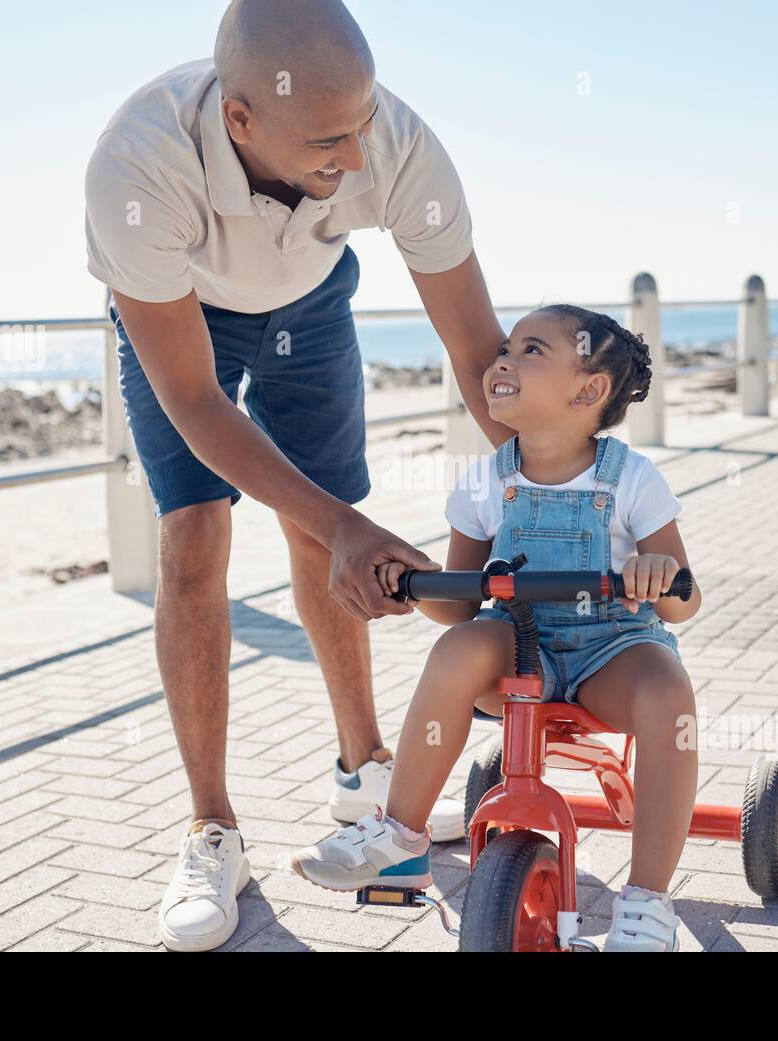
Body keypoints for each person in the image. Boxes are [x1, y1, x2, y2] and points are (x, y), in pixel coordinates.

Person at [83, 0, 514, 951]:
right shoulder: (136, 168)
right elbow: (197, 404)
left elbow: (477, 345)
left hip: (311, 304)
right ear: (241, 119)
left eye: (362, 125)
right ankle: (212, 829)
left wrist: (545, 489)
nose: (357, 159)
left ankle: (363, 770)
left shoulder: (391, 141)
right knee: (195, 535)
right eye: (328, 140)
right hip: (181, 315)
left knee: (324, 520)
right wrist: (348, 530)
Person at [291, 305, 703, 952]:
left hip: (610, 652)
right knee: (460, 643)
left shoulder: (631, 480)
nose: (502, 360)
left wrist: (658, 571)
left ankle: (647, 901)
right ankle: (399, 833)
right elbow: (460, 601)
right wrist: (413, 582)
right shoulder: (487, 480)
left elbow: (684, 599)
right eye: (506, 347)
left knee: (669, 689)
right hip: (518, 652)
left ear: (588, 390)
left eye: (531, 349)